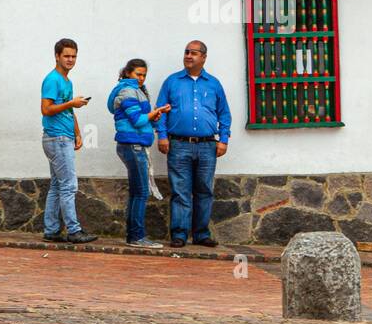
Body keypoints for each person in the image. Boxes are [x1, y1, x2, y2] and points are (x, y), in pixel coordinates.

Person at [154, 40, 232, 248]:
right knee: (180, 190)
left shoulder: (214, 84)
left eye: (194, 53)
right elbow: (160, 110)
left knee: (205, 190)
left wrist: (223, 140)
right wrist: (161, 135)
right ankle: (179, 234)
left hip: (208, 146)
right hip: (179, 144)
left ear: (204, 57)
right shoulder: (172, 82)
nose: (189, 56)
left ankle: (201, 234)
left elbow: (224, 114)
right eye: (186, 52)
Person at [107, 59, 172, 249]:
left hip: (135, 145)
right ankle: (137, 237)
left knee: (137, 192)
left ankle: (134, 236)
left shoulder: (137, 91)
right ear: (128, 73)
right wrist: (155, 113)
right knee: (141, 192)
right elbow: (137, 120)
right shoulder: (128, 91)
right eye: (138, 74)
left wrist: (153, 117)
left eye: (144, 75)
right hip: (133, 146)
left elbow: (143, 120)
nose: (142, 78)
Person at [40, 38, 97, 244]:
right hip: (57, 138)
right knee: (68, 186)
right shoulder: (53, 79)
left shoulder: (67, 81)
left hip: (63, 137)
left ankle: (52, 229)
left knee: (57, 185)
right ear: (57, 56)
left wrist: (78, 133)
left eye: (73, 56)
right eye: (67, 56)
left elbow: (68, 109)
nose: (71, 60)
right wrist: (71, 103)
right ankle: (74, 230)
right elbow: (46, 109)